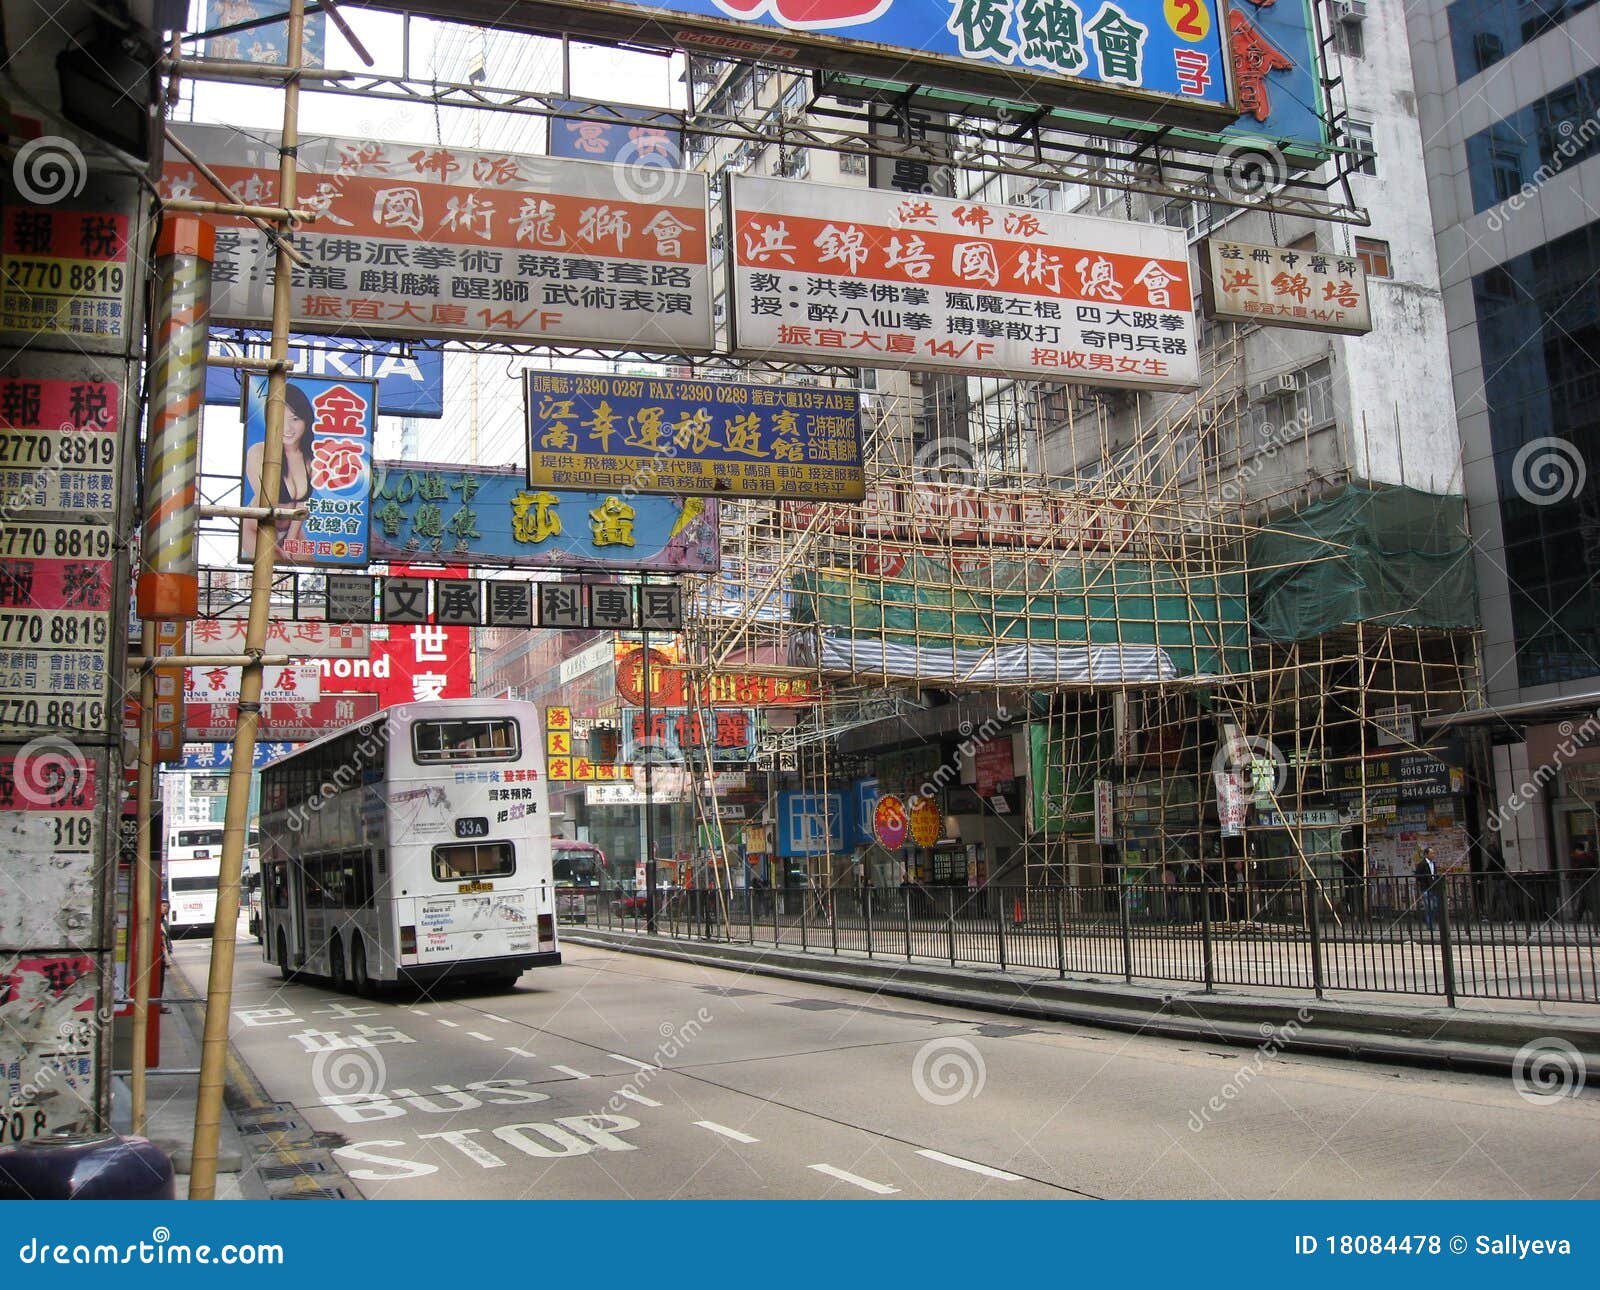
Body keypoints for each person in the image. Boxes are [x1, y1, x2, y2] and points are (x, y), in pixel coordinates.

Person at [240, 383, 314, 558]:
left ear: (306, 420)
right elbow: (265, 503)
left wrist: (290, 541)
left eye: (295, 418)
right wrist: (280, 549)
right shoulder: (259, 452)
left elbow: (302, 504)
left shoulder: (309, 458)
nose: (287, 429)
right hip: (258, 528)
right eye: (280, 419)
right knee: (267, 572)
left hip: (290, 531)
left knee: (310, 559)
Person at [1413, 845, 1441, 933]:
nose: (1433, 855)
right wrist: (1422, 882)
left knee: (1436, 905)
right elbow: (1418, 876)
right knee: (1428, 906)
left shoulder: (1434, 864)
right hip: (1425, 888)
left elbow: (1434, 874)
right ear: (1426, 854)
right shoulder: (1422, 864)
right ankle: (1430, 925)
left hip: (1434, 887)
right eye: (1431, 853)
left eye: (1434, 853)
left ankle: (1429, 920)